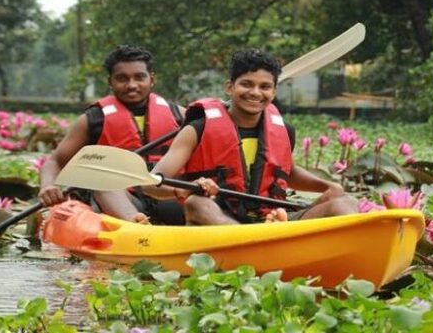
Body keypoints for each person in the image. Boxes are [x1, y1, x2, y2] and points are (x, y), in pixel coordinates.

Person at [146, 49, 358, 225]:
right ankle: (250, 241)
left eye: (264, 86)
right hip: (218, 217)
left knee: (345, 203)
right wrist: (184, 189)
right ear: (230, 87)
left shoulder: (284, 130)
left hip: (270, 217)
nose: (255, 92)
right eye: (247, 84)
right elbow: (150, 184)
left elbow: (287, 171)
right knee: (196, 204)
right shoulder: (197, 129)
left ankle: (272, 235)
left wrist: (326, 186)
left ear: (274, 92)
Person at [38, 45, 185, 224]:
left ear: (152, 79)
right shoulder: (92, 119)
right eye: (122, 79)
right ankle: (136, 225)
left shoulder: (180, 116)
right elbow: (55, 162)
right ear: (110, 82)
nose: (131, 85)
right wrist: (48, 186)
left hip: (169, 196)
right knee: (103, 183)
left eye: (139, 77)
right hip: (120, 199)